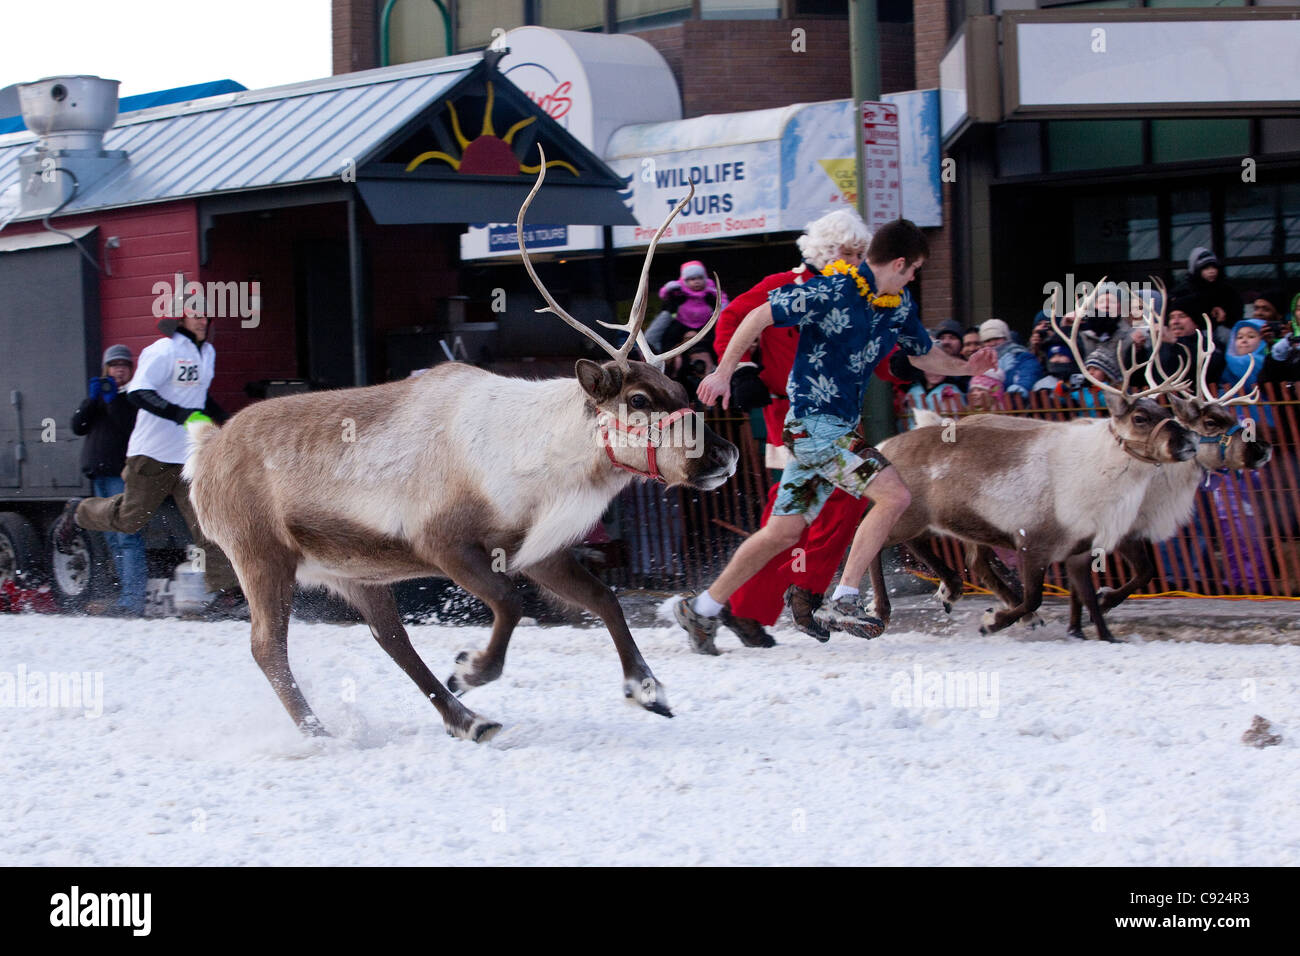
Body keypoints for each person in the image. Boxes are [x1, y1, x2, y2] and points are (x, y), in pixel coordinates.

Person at [675, 218, 997, 645]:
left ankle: (703, 608)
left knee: (783, 532)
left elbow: (923, 355)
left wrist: (964, 367)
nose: (917, 276)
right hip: (810, 427)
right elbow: (753, 315)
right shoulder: (828, 289)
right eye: (915, 268)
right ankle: (844, 598)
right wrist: (728, 373)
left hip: (837, 428)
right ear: (899, 263)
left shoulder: (896, 304)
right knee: (894, 495)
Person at [705, 210, 877, 647]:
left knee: (800, 514)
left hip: (838, 417)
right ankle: (791, 596)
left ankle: (749, 604)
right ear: (826, 251)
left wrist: (896, 364)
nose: (857, 260)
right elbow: (732, 320)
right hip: (787, 416)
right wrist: (741, 370)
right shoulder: (785, 285)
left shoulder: (857, 297)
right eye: (849, 252)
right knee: (821, 505)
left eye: (860, 253)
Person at [52, 306, 245, 618]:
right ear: (179, 322)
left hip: (187, 456)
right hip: (151, 454)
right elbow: (139, 394)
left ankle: (230, 596)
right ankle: (79, 511)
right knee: (130, 520)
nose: (202, 321)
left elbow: (200, 398)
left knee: (206, 525)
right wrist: (179, 415)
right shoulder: (162, 350)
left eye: (205, 316)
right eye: (194, 315)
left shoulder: (207, 354)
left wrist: (228, 422)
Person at [69, 345, 146, 617]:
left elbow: (129, 428)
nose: (119, 369)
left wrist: (113, 400)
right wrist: (92, 401)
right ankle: (125, 595)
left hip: (120, 475)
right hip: (98, 475)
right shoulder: (98, 397)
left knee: (127, 537)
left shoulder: (133, 397)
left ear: (131, 369)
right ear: (106, 368)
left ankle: (133, 600)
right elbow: (77, 426)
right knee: (112, 540)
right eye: (114, 365)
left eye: (124, 365)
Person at [1175, 247, 1242, 350]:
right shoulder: (1184, 290)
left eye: (1213, 268)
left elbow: (1237, 312)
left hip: (1224, 334)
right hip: (1196, 335)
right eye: (1206, 268)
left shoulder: (1227, 290)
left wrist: (1225, 315)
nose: (1211, 272)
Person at [977, 318, 1044, 399]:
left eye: (997, 338)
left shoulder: (1021, 356)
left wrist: (1020, 387)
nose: (992, 343)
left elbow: (1029, 373)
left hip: (1017, 404)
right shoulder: (981, 362)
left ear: (1006, 338)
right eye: (987, 341)